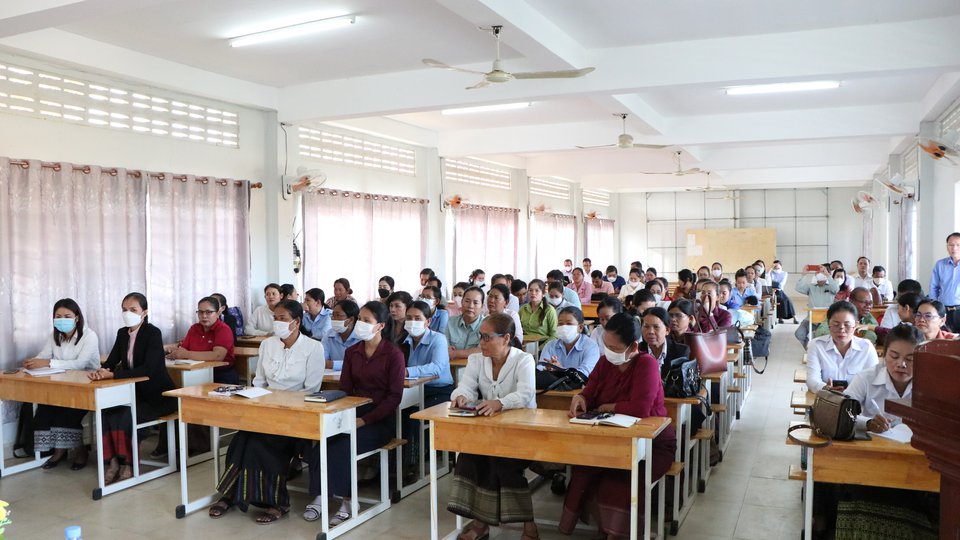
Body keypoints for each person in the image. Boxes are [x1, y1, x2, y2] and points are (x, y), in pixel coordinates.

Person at [562, 313, 677, 539]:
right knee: (584, 470)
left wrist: (608, 406)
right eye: (606, 345)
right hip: (612, 439)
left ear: (633, 346)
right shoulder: (606, 361)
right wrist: (581, 398)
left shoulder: (646, 364)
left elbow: (641, 408)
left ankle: (618, 534)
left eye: (614, 347)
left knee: (619, 482)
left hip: (652, 444)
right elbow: (590, 389)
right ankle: (602, 528)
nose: (608, 351)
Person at [209, 300, 324, 524]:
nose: (277, 322)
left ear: (297, 322)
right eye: (275, 318)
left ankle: (277, 502)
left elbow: (311, 390)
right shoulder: (267, 345)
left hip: (295, 416)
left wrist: (281, 406)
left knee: (260, 445)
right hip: (265, 410)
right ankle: (231, 494)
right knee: (240, 440)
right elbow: (259, 382)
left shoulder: (313, 348)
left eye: (282, 318)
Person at [305, 301, 404, 527]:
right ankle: (321, 496)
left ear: (379, 326)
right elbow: (346, 390)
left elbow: (394, 398)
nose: (360, 324)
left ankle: (349, 502)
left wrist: (364, 420)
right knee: (322, 442)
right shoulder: (352, 352)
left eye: (366, 321)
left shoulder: (393, 354)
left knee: (343, 446)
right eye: (360, 319)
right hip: (352, 413)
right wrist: (343, 417)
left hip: (378, 420)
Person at [447, 313, 537, 540]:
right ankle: (480, 524)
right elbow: (466, 386)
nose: (482, 343)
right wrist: (460, 397)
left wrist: (500, 403)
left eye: (487, 338)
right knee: (469, 458)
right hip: (490, 430)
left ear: (506, 338)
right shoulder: (476, 360)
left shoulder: (523, 359)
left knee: (503, 463)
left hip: (521, 430)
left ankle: (529, 526)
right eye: (481, 337)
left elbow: (526, 394)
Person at [90, 292, 177, 485]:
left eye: (133, 310)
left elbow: (149, 369)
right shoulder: (122, 333)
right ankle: (112, 462)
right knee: (107, 412)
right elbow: (112, 361)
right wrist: (101, 371)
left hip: (158, 396)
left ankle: (128, 463)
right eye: (124, 310)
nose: (127, 313)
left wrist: (113, 375)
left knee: (127, 415)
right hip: (131, 393)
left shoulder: (152, 333)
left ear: (144, 312)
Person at [21, 298, 99, 470]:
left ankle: (79, 451)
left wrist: (49, 363)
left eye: (67, 315)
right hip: (62, 386)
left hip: (86, 387)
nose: (62, 319)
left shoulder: (89, 336)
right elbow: (44, 355)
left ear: (76, 317)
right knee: (45, 408)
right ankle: (59, 450)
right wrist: (33, 361)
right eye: (58, 316)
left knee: (67, 412)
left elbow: (80, 364)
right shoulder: (55, 336)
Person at [845, 323, 921, 433]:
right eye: (894, 356)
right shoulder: (866, 378)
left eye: (910, 359)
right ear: (885, 354)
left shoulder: (930, 384)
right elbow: (843, 412)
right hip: (875, 446)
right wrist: (868, 423)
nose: (901, 364)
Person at [805, 301, 879, 393]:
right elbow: (812, 379)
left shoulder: (866, 347)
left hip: (857, 402)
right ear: (828, 324)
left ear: (856, 325)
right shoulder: (816, 345)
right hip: (826, 400)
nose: (842, 329)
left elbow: (874, 381)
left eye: (847, 324)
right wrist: (826, 388)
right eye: (836, 324)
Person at [167, 296, 239, 384]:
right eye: (200, 312)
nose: (204, 316)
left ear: (217, 313)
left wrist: (186, 354)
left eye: (208, 312)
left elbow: (217, 356)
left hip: (220, 374)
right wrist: (176, 353)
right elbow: (183, 349)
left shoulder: (223, 329)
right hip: (195, 372)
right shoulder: (194, 328)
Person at [403, 301, 454, 405]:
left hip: (438, 390)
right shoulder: (405, 341)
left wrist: (407, 372)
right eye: (409, 318)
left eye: (417, 318)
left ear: (428, 321)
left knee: (413, 418)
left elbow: (436, 368)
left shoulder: (438, 339)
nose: (412, 322)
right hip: (413, 389)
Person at [539, 306, 600, 378]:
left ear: (580, 327)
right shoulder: (551, 345)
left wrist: (561, 370)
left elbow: (584, 374)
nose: (564, 327)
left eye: (569, 324)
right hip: (553, 386)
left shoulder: (591, 347)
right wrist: (548, 368)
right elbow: (540, 368)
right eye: (560, 324)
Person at [794, 264, 840, 348]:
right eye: (817, 272)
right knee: (799, 333)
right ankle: (809, 349)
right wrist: (804, 274)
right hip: (811, 319)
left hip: (826, 321)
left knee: (820, 336)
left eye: (822, 272)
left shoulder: (831, 286)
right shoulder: (811, 287)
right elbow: (799, 288)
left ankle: (821, 351)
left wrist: (827, 274)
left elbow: (836, 289)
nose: (819, 274)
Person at [638, 306, 690, 379]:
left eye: (656, 327)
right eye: (646, 327)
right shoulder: (637, 350)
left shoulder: (681, 352)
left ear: (667, 330)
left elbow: (680, 382)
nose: (650, 332)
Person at [813, 287, 878, 344]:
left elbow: (872, 335)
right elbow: (820, 333)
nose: (868, 306)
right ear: (851, 301)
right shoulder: (838, 313)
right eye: (865, 302)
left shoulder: (868, 317)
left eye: (870, 303)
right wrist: (844, 340)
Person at [929, 232, 960, 332]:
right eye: (951, 245)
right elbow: (934, 287)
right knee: (944, 341)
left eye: (958, 245)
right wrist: (934, 307)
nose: (954, 248)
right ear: (947, 247)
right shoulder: (940, 264)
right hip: (943, 310)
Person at [446, 286, 485, 360]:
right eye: (467, 301)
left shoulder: (487, 325)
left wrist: (456, 353)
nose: (470, 306)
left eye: (476, 303)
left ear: (482, 306)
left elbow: (482, 350)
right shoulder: (450, 322)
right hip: (452, 368)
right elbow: (445, 348)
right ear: (462, 302)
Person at [323, 300, 361, 370]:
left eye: (338, 315)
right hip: (331, 379)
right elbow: (322, 361)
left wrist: (332, 364)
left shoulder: (361, 338)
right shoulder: (328, 335)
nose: (333, 318)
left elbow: (359, 364)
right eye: (333, 315)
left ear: (351, 320)